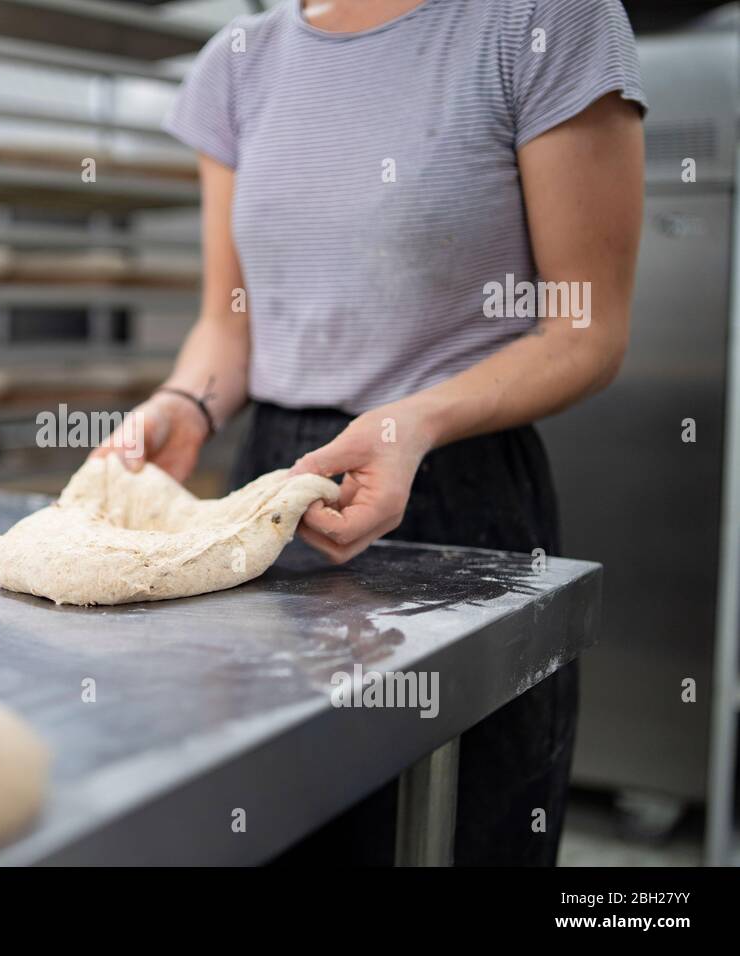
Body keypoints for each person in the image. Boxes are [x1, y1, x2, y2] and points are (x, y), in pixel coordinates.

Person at [94, 0, 646, 865]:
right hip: (271, 500)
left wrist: (417, 420)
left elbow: (587, 331)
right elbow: (230, 326)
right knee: (273, 830)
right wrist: (187, 404)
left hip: (458, 495)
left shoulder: (544, 21)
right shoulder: (239, 61)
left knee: (456, 832)